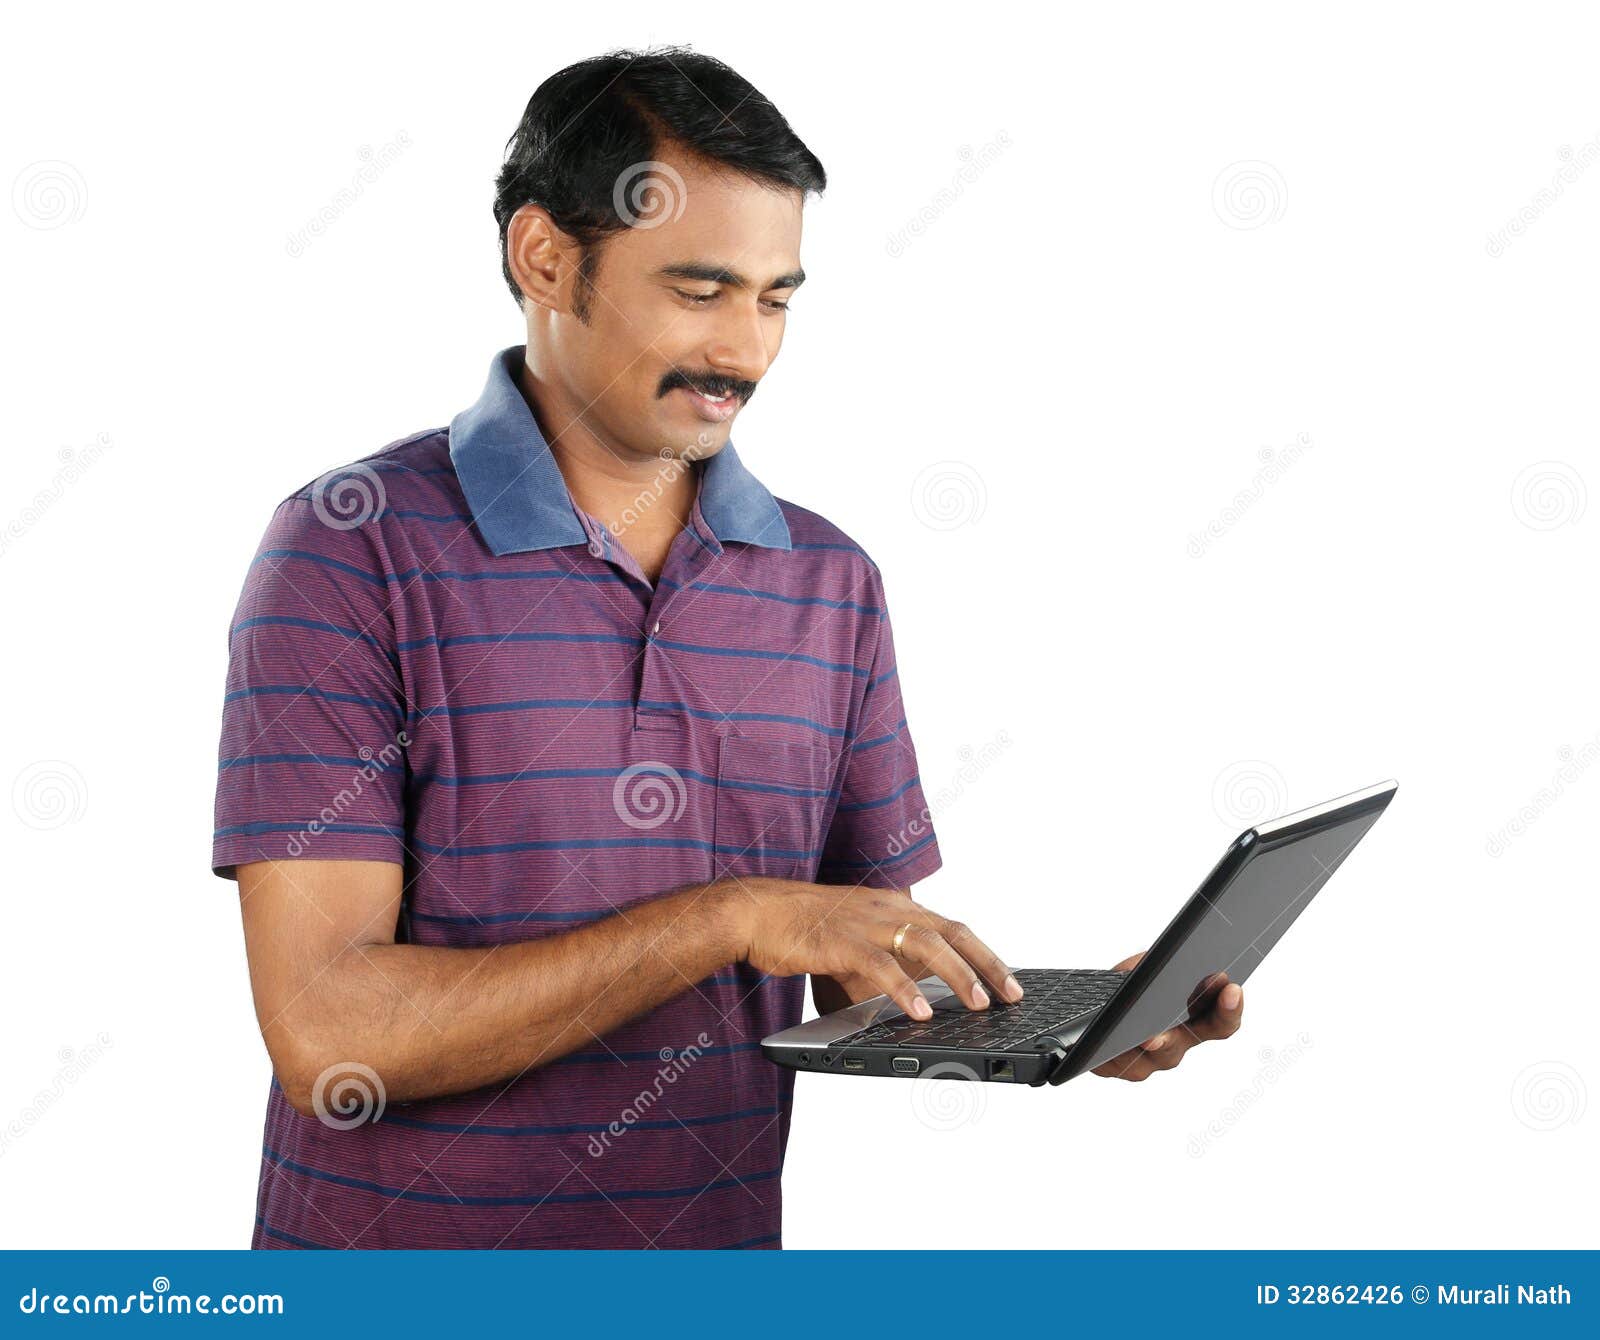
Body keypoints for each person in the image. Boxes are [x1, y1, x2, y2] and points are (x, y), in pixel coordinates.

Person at [213, 46, 1242, 1251]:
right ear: (545, 257)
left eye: (776, 297)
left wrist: (1059, 1027)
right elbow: (331, 1031)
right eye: (699, 291)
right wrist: (727, 917)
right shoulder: (349, 551)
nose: (746, 353)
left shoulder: (827, 582)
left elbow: (855, 962)